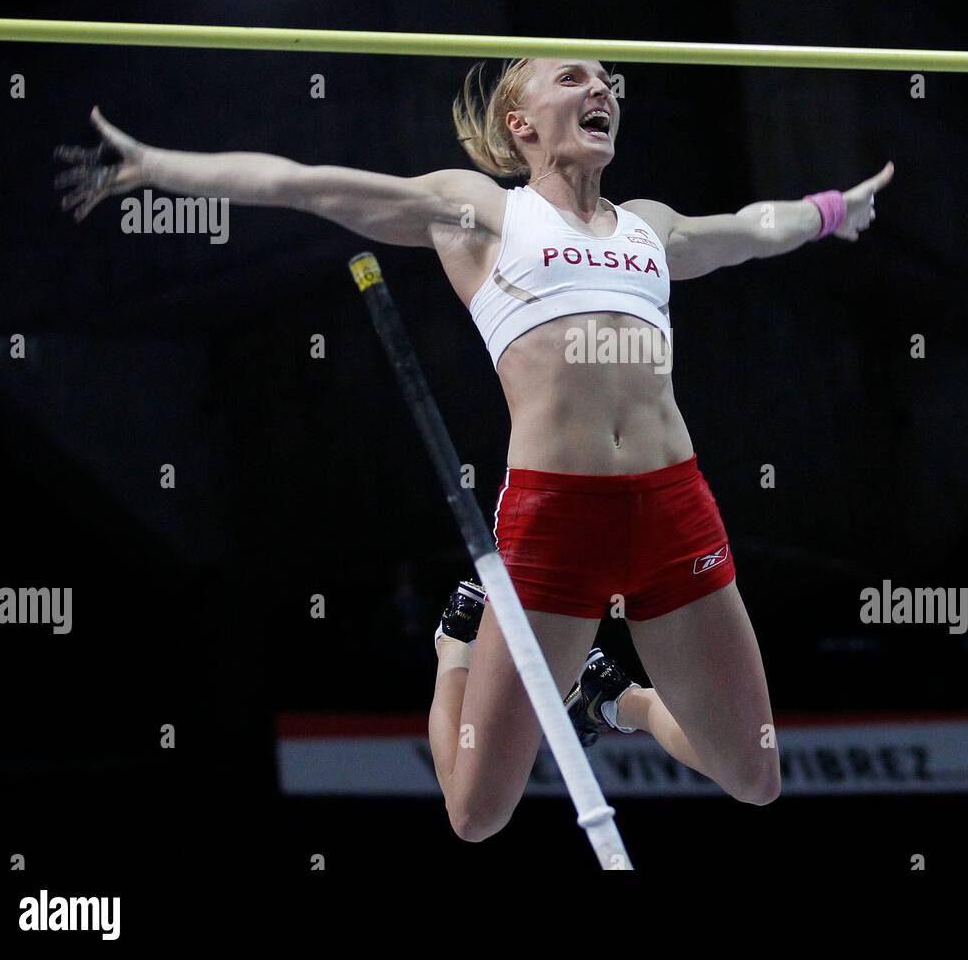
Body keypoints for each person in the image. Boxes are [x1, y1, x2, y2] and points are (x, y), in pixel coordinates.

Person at [55, 59, 891, 841]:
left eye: (608, 80)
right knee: (476, 811)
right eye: (574, 78)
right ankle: (454, 649)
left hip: (675, 508)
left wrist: (828, 212)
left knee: (755, 776)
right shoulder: (481, 212)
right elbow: (305, 186)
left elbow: (750, 229)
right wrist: (158, 167)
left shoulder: (649, 229)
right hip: (556, 519)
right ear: (520, 122)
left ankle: (617, 702)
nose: (602, 88)